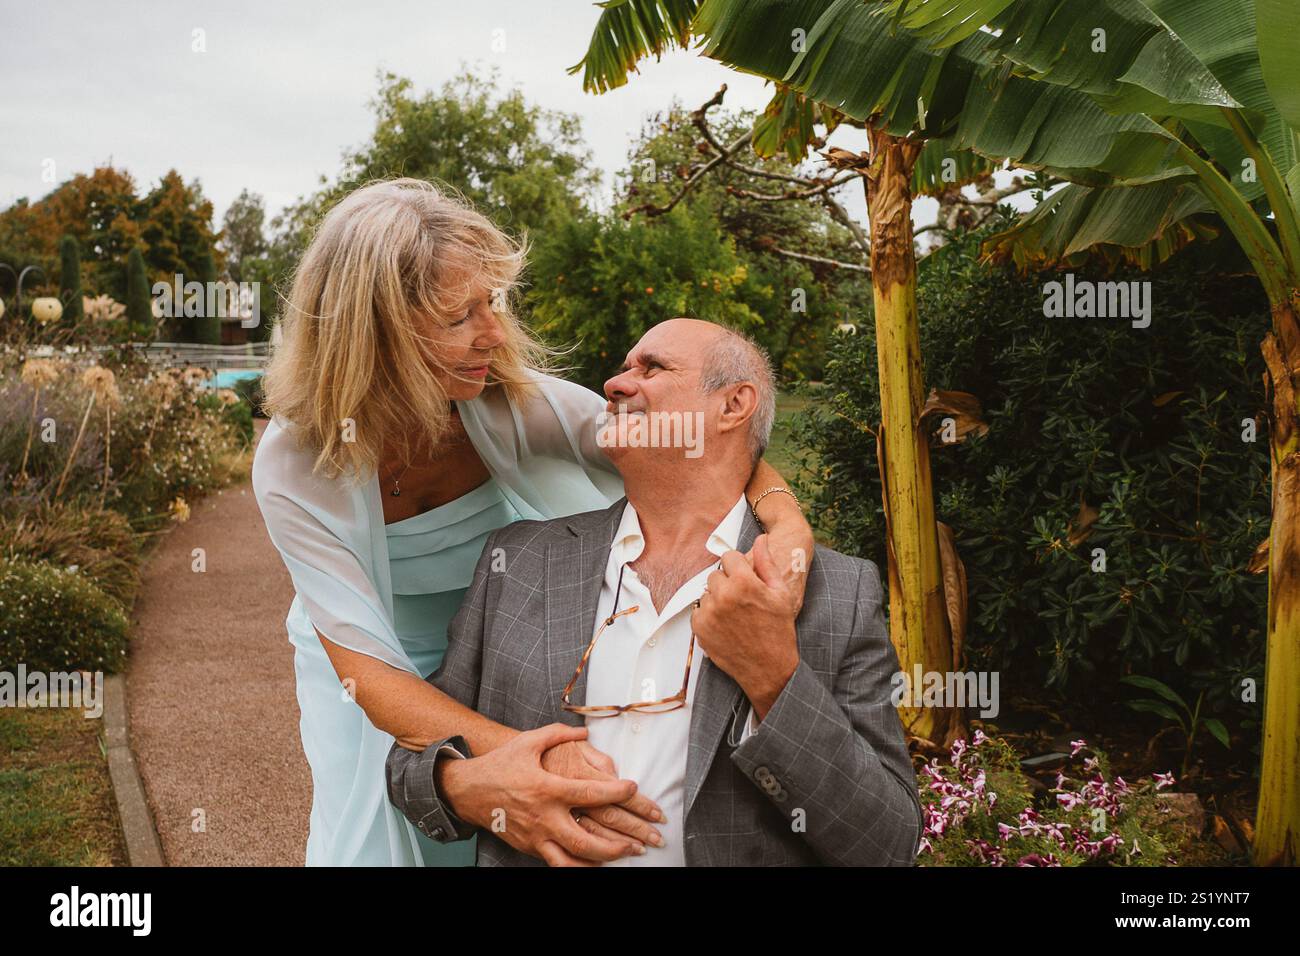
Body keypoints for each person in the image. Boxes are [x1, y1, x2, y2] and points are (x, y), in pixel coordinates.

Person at [252, 178, 814, 865]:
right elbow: (368, 672)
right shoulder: (291, 464)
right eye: (461, 316)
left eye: (490, 302)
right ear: (379, 331)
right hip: (361, 668)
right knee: (369, 839)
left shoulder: (512, 404)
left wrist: (787, 524)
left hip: (493, 653)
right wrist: (530, 761)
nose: (493, 332)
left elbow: (695, 439)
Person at [386, 319, 923, 866]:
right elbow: (411, 759)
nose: (615, 385)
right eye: (621, 370)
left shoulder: (839, 593)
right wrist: (469, 787)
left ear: (734, 405)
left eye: (653, 367)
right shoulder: (517, 562)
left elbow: (886, 845)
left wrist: (773, 679)